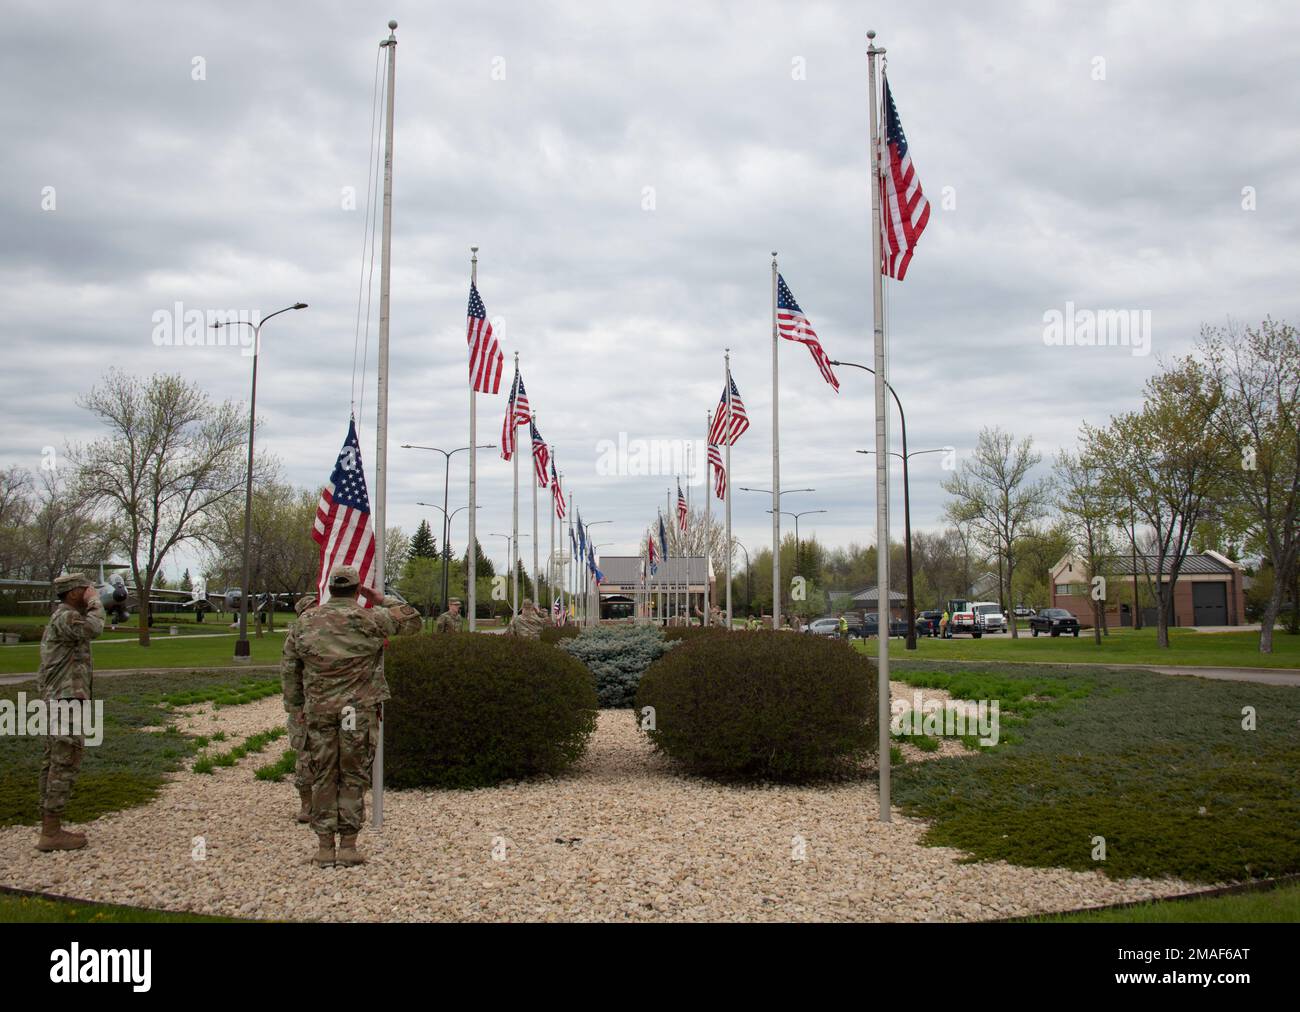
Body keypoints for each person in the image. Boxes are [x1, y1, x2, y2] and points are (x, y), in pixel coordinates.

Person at [281, 565, 421, 869]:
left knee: (323, 774)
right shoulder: (370, 618)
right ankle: (347, 847)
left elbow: (290, 670)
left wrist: (296, 709)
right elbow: (413, 621)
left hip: (319, 711)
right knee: (353, 775)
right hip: (355, 713)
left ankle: (323, 849)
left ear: (330, 588)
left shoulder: (305, 622)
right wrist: (381, 599)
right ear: (357, 589)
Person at [36, 573, 104, 852]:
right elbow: (95, 628)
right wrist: (96, 601)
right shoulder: (66, 617)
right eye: (84, 588)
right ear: (72, 592)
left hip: (64, 700)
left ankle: (50, 826)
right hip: (64, 702)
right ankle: (51, 832)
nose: (89, 590)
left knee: (55, 761)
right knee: (64, 761)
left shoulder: (65, 616)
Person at [284, 593, 319, 824]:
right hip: (307, 705)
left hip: (330, 703)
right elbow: (289, 672)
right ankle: (307, 803)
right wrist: (295, 705)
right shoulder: (297, 634)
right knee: (305, 754)